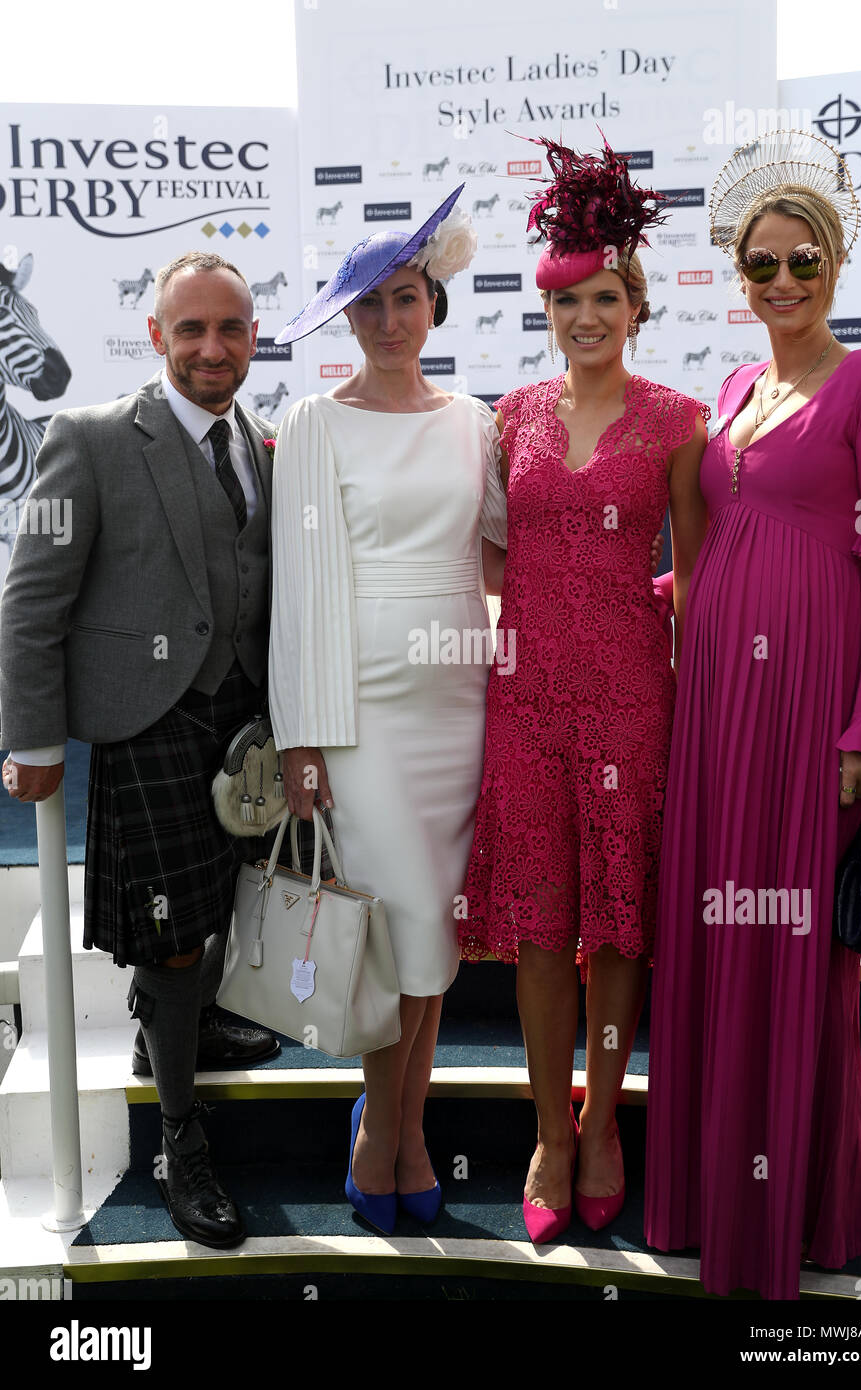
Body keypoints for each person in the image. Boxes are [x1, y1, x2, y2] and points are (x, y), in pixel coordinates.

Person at [644, 130, 861, 1299]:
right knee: (719, 930)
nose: (781, 285)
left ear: (836, 265)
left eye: (802, 262)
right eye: (760, 266)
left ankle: (802, 1202)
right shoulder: (732, 390)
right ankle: (716, 1189)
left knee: (797, 943)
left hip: (810, 697)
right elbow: (712, 547)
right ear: (738, 277)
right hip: (714, 699)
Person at [0, 250, 291, 1250]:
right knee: (169, 931)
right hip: (147, 721)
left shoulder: (265, 440)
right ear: (157, 336)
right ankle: (178, 1136)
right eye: (191, 329)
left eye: (231, 329)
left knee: (220, 908)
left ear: (254, 337)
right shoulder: (87, 438)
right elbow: (30, 601)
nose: (212, 348)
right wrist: (30, 739)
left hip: (242, 720)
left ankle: (180, 1021)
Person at [458, 137, 709, 1243]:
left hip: (628, 708)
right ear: (547, 311)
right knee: (540, 936)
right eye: (565, 301)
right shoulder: (506, 417)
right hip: (525, 708)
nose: (584, 317)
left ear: (635, 305)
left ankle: (604, 1121)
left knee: (615, 933)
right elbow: (491, 557)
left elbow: (697, 575)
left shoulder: (677, 422)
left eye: (603, 297)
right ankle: (548, 1132)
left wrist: (632, 609)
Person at [269, 188, 508, 1235]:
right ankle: (389, 1136)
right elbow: (303, 590)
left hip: (460, 699)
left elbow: (504, 557)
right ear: (347, 322)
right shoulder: (312, 423)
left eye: (404, 298)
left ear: (434, 305)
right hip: (361, 712)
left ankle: (401, 1119)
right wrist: (303, 739)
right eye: (366, 306)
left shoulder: (479, 424)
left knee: (432, 927)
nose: (388, 321)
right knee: (396, 921)